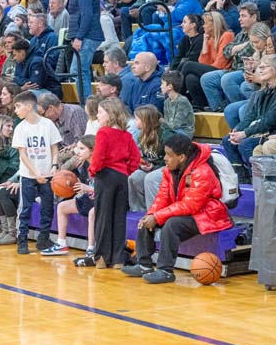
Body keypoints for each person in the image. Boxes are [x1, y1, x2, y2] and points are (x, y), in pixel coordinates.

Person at [122, 134, 233, 284]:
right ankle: (144, 265)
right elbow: (162, 197)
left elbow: (191, 205)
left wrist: (158, 217)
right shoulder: (169, 170)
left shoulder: (202, 171)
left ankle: (165, 270)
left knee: (172, 224)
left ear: (181, 157)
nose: (165, 158)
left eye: (169, 155)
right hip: (187, 212)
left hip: (207, 216)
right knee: (147, 220)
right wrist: (152, 215)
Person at [88, 96, 142, 268]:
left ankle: (102, 258)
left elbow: (98, 156)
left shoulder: (103, 132)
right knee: (119, 218)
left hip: (105, 176)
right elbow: (136, 158)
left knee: (103, 217)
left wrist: (92, 171)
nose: (97, 116)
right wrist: (127, 172)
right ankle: (118, 258)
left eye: (100, 112)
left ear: (110, 114)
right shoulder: (126, 135)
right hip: (121, 177)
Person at [11, 89, 63, 254]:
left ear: (28, 106)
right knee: (25, 208)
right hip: (28, 175)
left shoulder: (47, 124)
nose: (15, 110)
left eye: (17, 106)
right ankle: (22, 241)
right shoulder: (20, 128)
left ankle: (43, 239)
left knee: (47, 208)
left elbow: (54, 148)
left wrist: (54, 166)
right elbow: (23, 154)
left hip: (47, 174)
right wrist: (35, 173)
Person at [223, 55, 276, 171]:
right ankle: (242, 178)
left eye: (265, 67)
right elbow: (252, 114)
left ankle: (258, 177)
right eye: (260, 67)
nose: (260, 70)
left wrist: (245, 133)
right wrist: (238, 129)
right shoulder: (265, 90)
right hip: (264, 130)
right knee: (228, 140)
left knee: (246, 144)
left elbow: (271, 119)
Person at [46, 135, 96, 258]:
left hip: (104, 199)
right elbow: (84, 184)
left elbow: (107, 188)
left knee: (92, 213)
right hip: (90, 197)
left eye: (82, 148)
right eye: (77, 148)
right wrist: (74, 184)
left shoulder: (101, 164)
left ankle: (91, 248)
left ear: (93, 150)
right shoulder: (84, 164)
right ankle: (61, 243)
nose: (77, 152)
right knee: (62, 206)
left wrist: (90, 189)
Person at [126, 104, 174, 213]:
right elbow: (146, 156)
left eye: (137, 119)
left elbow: (173, 159)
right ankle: (138, 210)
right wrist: (144, 163)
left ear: (146, 120)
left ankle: (155, 212)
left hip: (168, 167)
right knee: (134, 178)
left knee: (150, 178)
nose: (135, 122)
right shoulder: (143, 134)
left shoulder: (166, 134)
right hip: (154, 166)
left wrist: (155, 166)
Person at [160, 70, 194, 136]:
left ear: (170, 86)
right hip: (172, 130)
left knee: (167, 135)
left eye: (162, 83)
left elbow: (176, 125)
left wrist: (161, 121)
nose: (160, 86)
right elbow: (167, 122)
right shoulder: (166, 102)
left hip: (184, 132)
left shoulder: (182, 101)